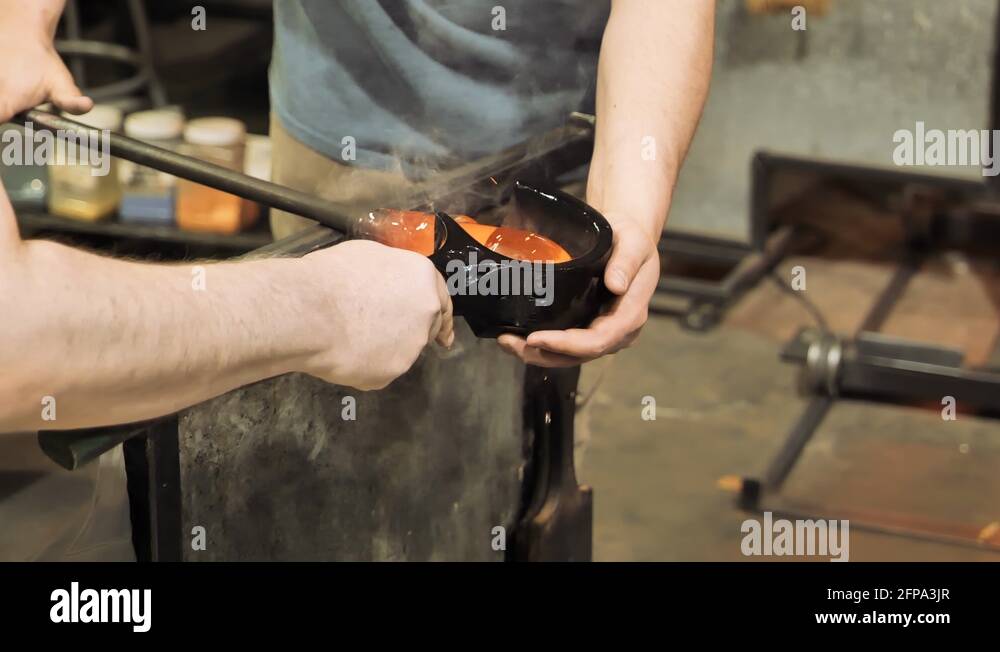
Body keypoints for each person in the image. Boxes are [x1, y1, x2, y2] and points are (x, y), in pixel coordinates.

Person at [0, 0, 714, 560]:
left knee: (520, 482)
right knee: (316, 473)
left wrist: (623, 218)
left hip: (553, 152)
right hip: (336, 131)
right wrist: (324, 310)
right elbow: (21, 340)